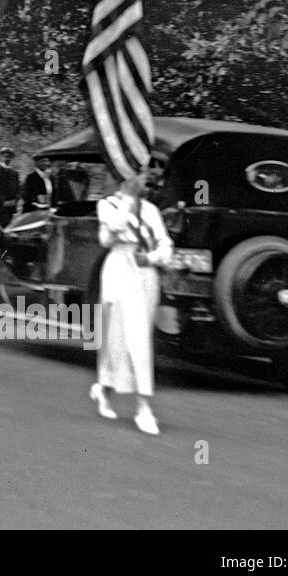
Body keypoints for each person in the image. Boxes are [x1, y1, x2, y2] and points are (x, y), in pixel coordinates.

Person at [91, 166, 174, 435]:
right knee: (115, 335)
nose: (145, 180)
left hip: (145, 272)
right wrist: (128, 200)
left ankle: (143, 406)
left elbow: (165, 245)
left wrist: (150, 258)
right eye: (139, 176)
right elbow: (109, 234)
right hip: (118, 268)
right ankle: (106, 389)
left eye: (145, 177)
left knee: (140, 337)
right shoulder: (108, 204)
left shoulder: (151, 211)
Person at [0, 147, 20, 227]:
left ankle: (4, 238)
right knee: (5, 224)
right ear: (0, 157)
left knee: (8, 225)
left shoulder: (14, 173)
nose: (7, 158)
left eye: (9, 157)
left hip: (11, 205)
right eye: (5, 156)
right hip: (0, 205)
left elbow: (17, 188)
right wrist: (3, 201)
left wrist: (15, 200)